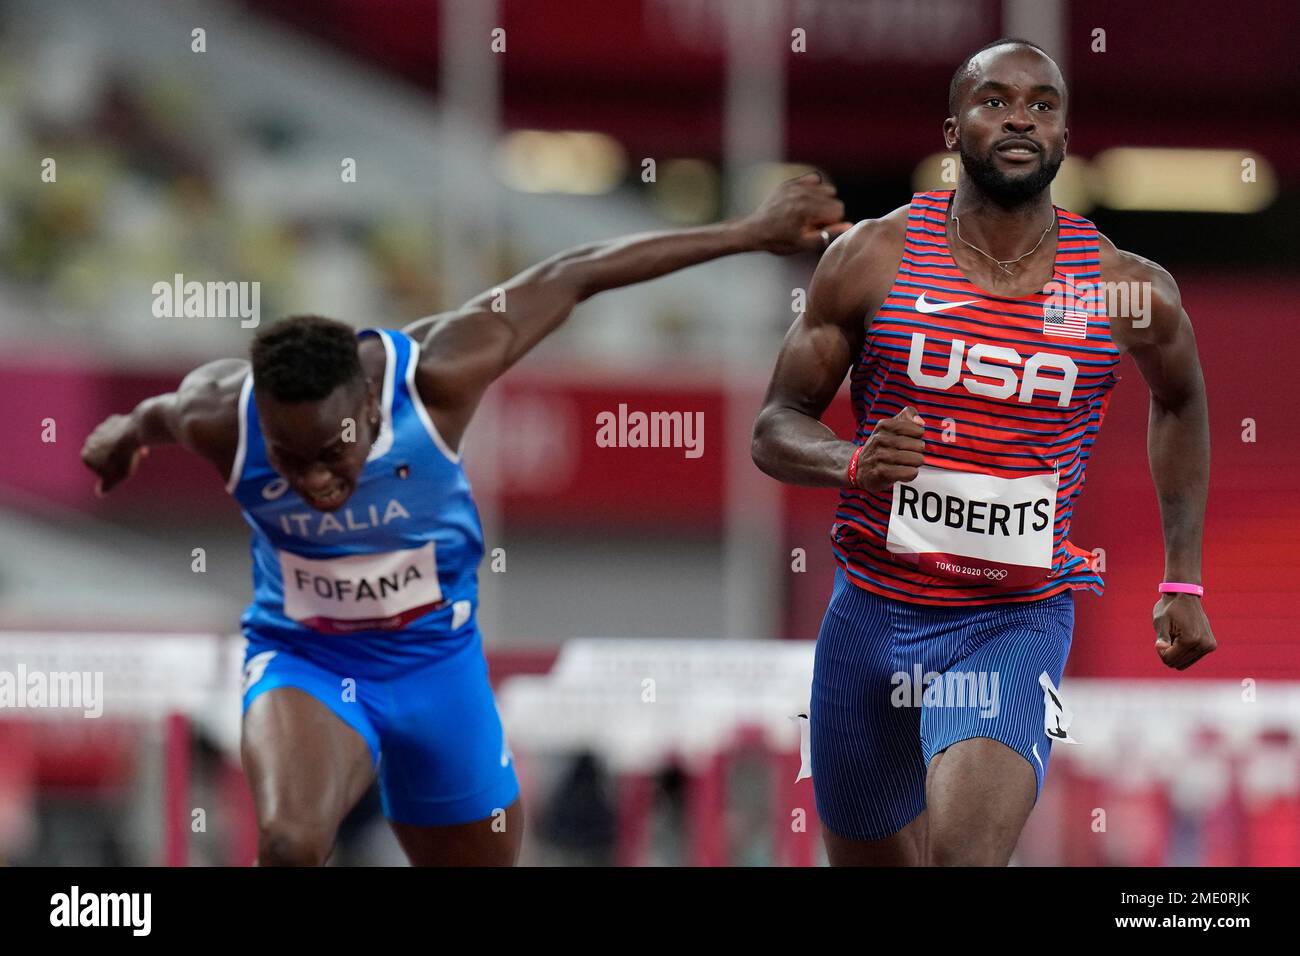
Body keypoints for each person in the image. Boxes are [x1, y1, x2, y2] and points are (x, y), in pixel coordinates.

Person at [82, 175, 850, 866]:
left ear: (368, 405)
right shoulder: (222, 415)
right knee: (290, 843)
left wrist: (748, 233)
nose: (315, 480)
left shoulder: (438, 376)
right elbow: (153, 417)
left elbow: (573, 274)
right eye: (291, 458)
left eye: (332, 453)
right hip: (306, 659)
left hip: (436, 669)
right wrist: (120, 437)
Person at [750, 39, 1215, 866]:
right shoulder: (871, 258)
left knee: (963, 855)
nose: (1020, 119)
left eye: (1042, 106)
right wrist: (850, 462)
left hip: (1013, 617)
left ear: (1066, 139)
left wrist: (1181, 577)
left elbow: (1180, 400)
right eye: (996, 101)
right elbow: (775, 425)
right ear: (953, 127)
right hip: (871, 612)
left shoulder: (1122, 285)